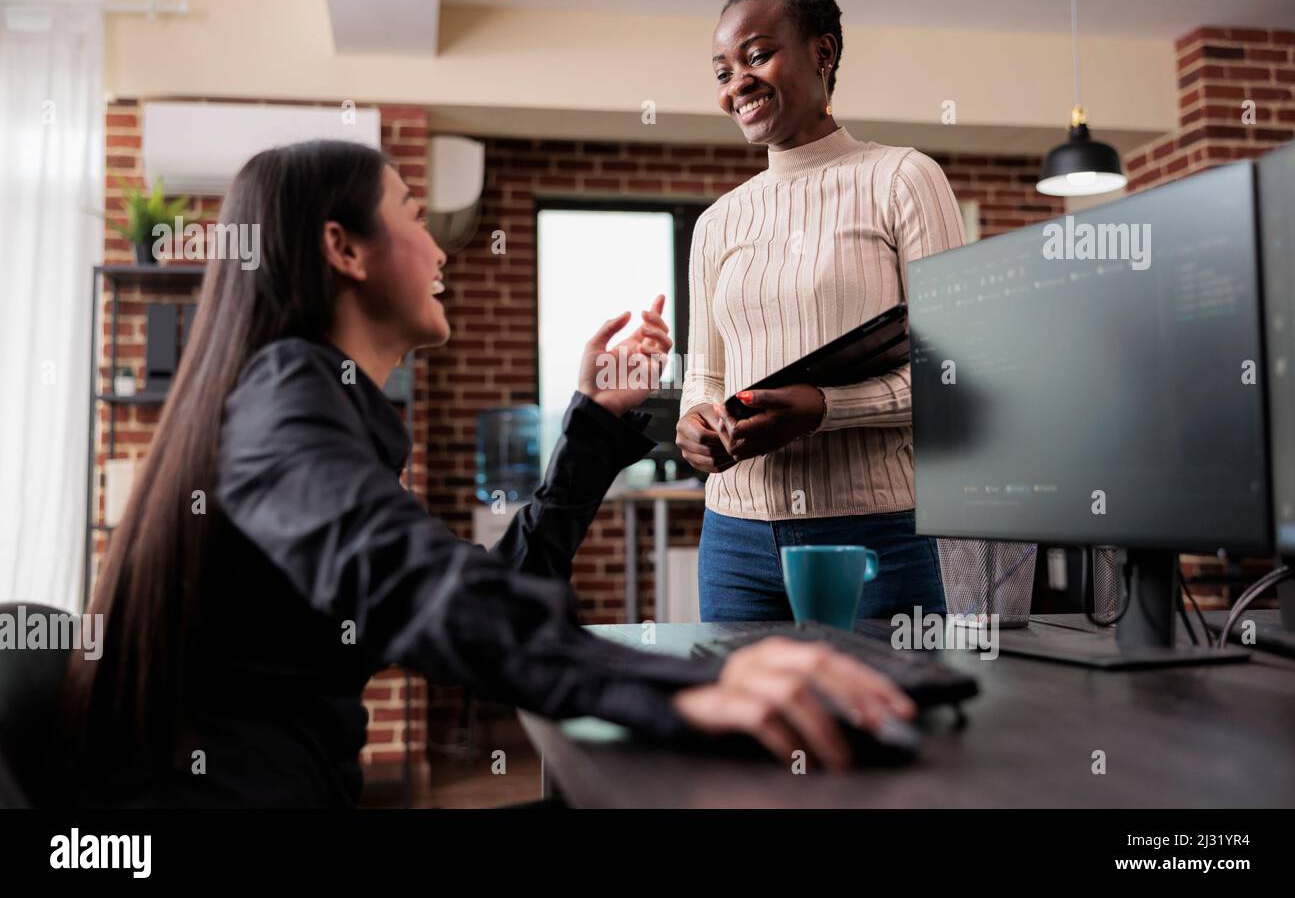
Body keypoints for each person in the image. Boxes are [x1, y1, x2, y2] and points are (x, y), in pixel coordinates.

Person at [61, 140, 915, 806]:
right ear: (343, 248)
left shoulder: (312, 402)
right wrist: (686, 684)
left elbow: (478, 585)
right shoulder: (284, 389)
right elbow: (411, 583)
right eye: (413, 215)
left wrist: (594, 424)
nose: (439, 251)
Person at [677, 0, 966, 622]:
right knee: (748, 729)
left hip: (875, 538)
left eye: (756, 56)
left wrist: (825, 408)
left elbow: (953, 376)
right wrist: (695, 429)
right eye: (722, 70)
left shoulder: (903, 179)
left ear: (824, 53)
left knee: (886, 728)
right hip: (735, 543)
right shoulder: (718, 222)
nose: (736, 84)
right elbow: (704, 381)